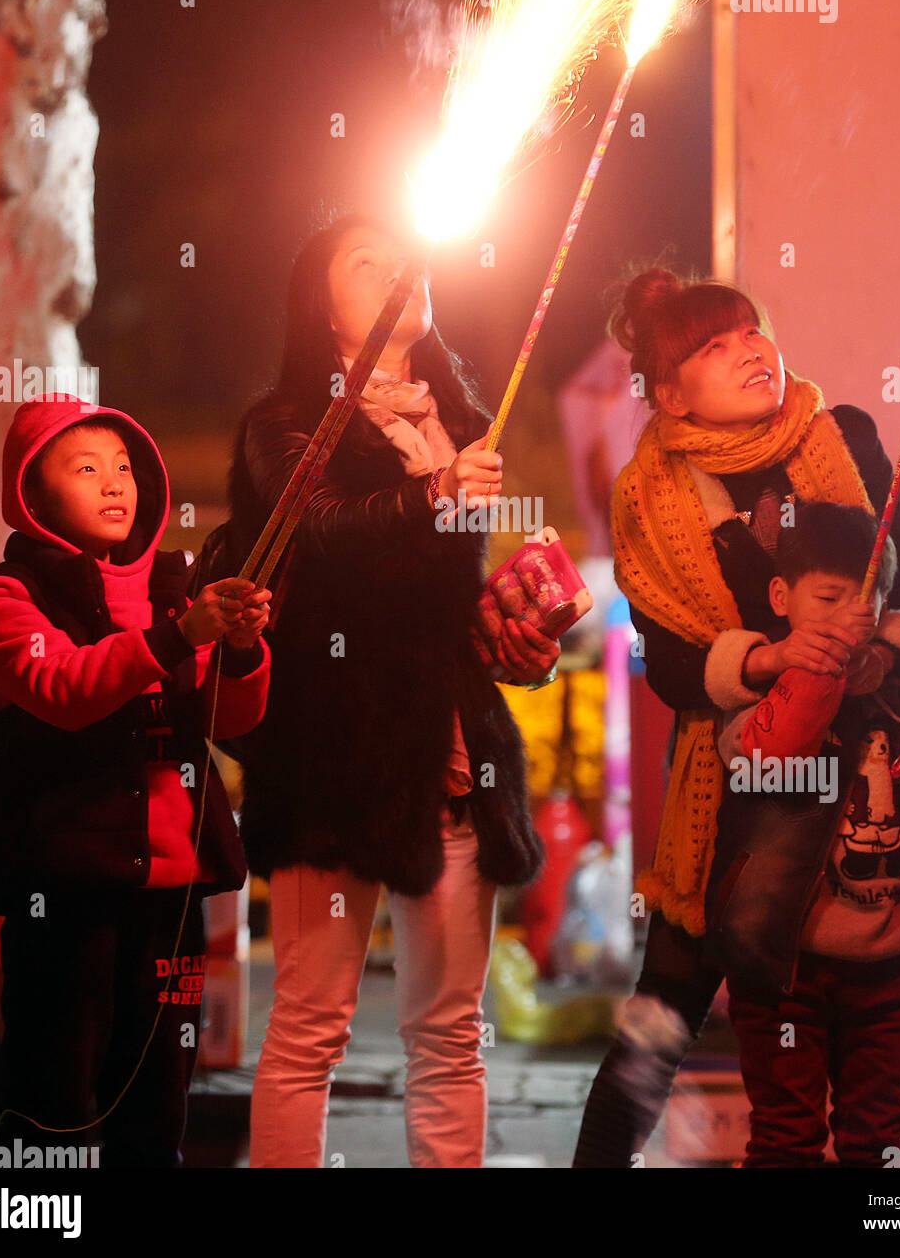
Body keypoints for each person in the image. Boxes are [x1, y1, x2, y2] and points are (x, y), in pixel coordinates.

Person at [572, 270, 900, 1167]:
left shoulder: (839, 434)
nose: (749, 353)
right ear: (667, 392)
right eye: (714, 346)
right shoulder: (648, 495)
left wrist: (875, 658)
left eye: (753, 333)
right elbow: (670, 667)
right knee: (663, 1016)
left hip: (876, 768)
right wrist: (771, 661)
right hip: (743, 790)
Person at [227, 213, 559, 1168]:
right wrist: (436, 491)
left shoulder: (458, 418)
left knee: (451, 1036)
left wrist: (510, 637)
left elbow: (441, 605)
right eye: (361, 261)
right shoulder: (284, 421)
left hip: (452, 755)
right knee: (309, 1029)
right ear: (318, 308)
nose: (394, 268)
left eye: (401, 254)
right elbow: (316, 526)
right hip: (334, 754)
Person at [0, 394, 271, 1166]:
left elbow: (226, 717)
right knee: (51, 1111)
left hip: (173, 901)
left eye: (125, 467)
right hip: (64, 897)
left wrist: (237, 648)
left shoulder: (177, 585)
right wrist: (178, 634)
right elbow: (66, 691)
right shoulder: (6, 597)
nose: (114, 483)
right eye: (86, 467)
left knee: (158, 1105)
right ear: (34, 494)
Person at [707, 501, 900, 1166]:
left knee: (878, 1137)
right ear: (782, 596)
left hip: (891, 973)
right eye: (829, 598)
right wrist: (817, 668)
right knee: (785, 1136)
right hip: (785, 969)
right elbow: (775, 756)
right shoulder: (755, 699)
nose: (850, 617)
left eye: (869, 601)